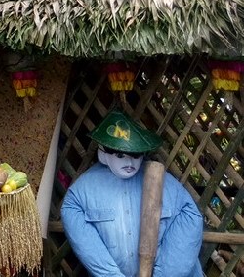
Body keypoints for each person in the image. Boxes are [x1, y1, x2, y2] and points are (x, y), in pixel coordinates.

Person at [61, 110, 203, 277]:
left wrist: (164, 274)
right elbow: (88, 246)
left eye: (135, 155)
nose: (129, 162)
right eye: (120, 155)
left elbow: (190, 224)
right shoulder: (80, 194)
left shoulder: (167, 184)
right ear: (103, 154)